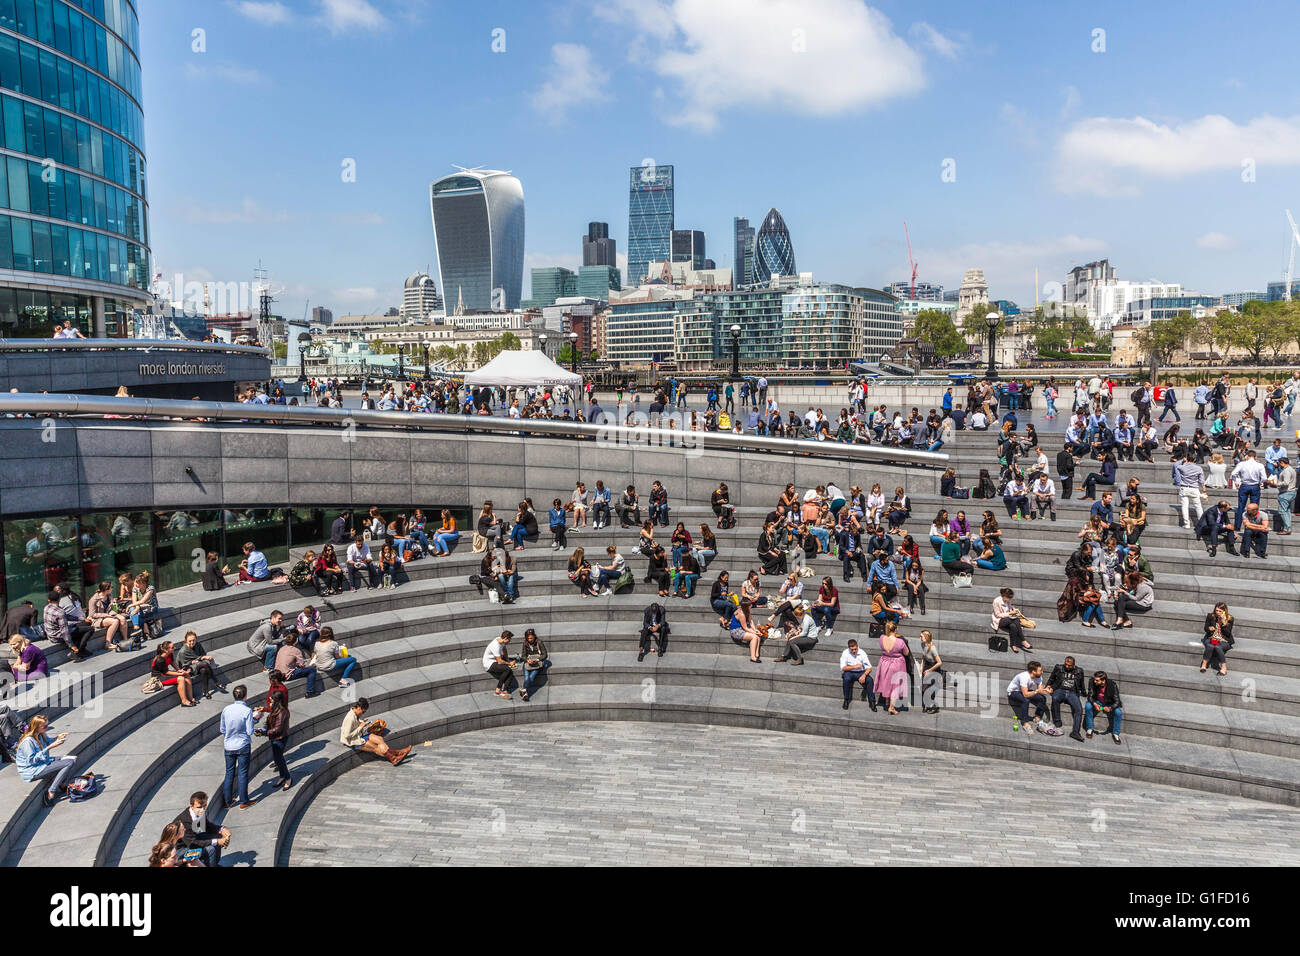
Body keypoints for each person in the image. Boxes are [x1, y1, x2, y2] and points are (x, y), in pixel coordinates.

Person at [14, 715, 77, 807]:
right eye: (44, 726)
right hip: (32, 770)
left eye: (47, 725)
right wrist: (50, 747)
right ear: (36, 727)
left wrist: (57, 738)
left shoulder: (41, 734)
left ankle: (61, 783)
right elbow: (32, 760)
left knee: (71, 759)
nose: (46, 728)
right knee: (69, 763)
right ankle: (51, 792)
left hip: (43, 762)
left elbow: (48, 742)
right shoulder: (28, 741)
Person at [220, 686, 258, 810]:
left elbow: (222, 729)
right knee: (242, 773)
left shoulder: (226, 709)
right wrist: (255, 719)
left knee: (229, 772)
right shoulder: (247, 711)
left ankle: (227, 801)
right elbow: (250, 731)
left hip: (229, 745)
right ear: (245, 696)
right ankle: (243, 801)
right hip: (242, 745)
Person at [340, 698, 410, 764]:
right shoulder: (350, 718)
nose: (363, 713)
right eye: (363, 711)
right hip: (353, 741)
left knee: (380, 739)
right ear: (359, 708)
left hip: (359, 736)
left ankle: (396, 755)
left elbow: (355, 723)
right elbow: (347, 735)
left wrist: (362, 722)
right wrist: (360, 727)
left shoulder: (355, 713)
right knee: (375, 747)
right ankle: (395, 756)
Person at [174, 792, 231, 867]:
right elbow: (192, 844)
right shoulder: (185, 821)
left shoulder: (198, 812)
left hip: (193, 839)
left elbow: (207, 826)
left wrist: (221, 829)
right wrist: (216, 842)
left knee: (217, 837)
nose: (202, 810)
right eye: (199, 807)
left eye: (204, 806)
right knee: (211, 849)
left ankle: (214, 864)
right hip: (180, 849)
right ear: (191, 806)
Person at [1046, 656, 1087, 741]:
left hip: (1072, 693)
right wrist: (1048, 686)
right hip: (1060, 689)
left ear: (1074, 665)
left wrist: (1084, 694)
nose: (1067, 666)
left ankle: (1075, 732)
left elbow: (1081, 684)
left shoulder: (1079, 671)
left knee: (1078, 709)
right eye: (1066, 664)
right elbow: (1051, 678)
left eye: (1069, 665)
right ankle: (1057, 721)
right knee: (1055, 698)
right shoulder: (1059, 668)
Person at [175, 630, 224, 700]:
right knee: (204, 664)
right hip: (189, 669)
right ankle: (216, 681)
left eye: (193, 640)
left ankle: (206, 692)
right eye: (190, 641)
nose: (192, 642)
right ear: (186, 641)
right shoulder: (183, 651)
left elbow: (203, 654)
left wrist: (200, 659)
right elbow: (184, 665)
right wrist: (199, 659)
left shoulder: (197, 645)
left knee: (204, 670)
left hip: (199, 664)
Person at [1006, 662, 1052, 734]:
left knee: (1042, 698)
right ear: (1034, 671)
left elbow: (1040, 691)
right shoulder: (1024, 677)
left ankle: (1037, 717)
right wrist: (1036, 691)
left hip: (1024, 690)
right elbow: (1025, 695)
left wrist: (1046, 691)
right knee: (1025, 700)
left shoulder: (1038, 677)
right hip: (1013, 692)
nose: (1042, 672)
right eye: (1040, 670)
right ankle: (1025, 723)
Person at [874, 623, 909, 715]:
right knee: (895, 686)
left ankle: (887, 701)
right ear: (896, 629)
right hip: (896, 664)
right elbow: (906, 653)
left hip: (884, 662)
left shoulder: (881, 638)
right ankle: (891, 707)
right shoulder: (900, 642)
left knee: (887, 682)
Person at [262, 684, 292, 791]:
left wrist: (265, 733)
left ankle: (288, 778)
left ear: (276, 700)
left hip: (280, 738)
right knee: (277, 758)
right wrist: (264, 728)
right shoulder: (275, 709)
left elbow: (278, 729)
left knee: (280, 759)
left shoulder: (282, 712)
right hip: (275, 738)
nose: (269, 700)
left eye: (272, 698)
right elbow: (269, 720)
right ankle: (282, 776)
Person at [274, 632, 320, 697]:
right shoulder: (296, 650)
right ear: (296, 641)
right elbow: (302, 665)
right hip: (287, 675)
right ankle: (310, 692)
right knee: (312, 669)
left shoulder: (281, 648)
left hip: (278, 674)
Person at [152, 640, 195, 706]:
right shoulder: (160, 659)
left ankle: (191, 698)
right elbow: (166, 672)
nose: (174, 648)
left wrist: (179, 670)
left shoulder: (169, 654)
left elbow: (172, 662)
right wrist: (180, 674)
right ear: (166, 650)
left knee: (187, 675)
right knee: (181, 679)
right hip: (159, 678)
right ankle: (184, 701)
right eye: (172, 647)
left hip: (165, 674)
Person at [1085, 671, 1123, 743]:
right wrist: (1094, 703)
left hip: (1109, 703)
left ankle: (1116, 733)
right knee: (1088, 706)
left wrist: (1110, 708)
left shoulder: (1112, 685)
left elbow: (1117, 701)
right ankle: (1090, 728)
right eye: (1094, 679)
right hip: (1097, 701)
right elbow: (1090, 696)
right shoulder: (1092, 682)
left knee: (1118, 712)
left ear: (1103, 680)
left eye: (1097, 680)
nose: (1094, 681)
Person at [839, 639, 876, 711]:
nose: (854, 651)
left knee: (870, 680)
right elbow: (843, 667)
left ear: (857, 646)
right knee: (846, 679)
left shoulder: (862, 653)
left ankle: (872, 702)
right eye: (852, 650)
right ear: (849, 648)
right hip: (849, 672)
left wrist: (864, 675)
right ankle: (846, 700)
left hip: (861, 672)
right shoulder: (845, 653)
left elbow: (869, 668)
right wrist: (854, 666)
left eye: (855, 649)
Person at [992, 587, 1031, 652]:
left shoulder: (1007, 600)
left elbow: (1010, 607)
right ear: (1004, 596)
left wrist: (1014, 610)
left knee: (1013, 626)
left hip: (1009, 619)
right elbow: (997, 615)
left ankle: (1013, 645)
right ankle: (1023, 640)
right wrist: (1010, 613)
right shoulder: (996, 601)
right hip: (999, 620)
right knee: (1015, 619)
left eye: (1010, 598)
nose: (1009, 600)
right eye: (1008, 598)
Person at [729, 599, 766, 664]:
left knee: (757, 636)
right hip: (736, 630)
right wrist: (754, 633)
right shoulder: (741, 614)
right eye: (750, 605)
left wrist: (755, 630)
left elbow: (751, 621)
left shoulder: (747, 611)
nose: (751, 605)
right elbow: (745, 628)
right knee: (754, 637)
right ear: (747, 606)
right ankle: (752, 657)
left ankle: (756, 654)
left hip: (743, 628)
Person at [519, 628, 550, 700]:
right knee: (527, 677)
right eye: (528, 638)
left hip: (537, 663)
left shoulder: (539, 642)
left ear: (534, 636)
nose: (530, 640)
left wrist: (538, 659)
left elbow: (545, 654)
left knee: (531, 678)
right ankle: (525, 692)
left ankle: (524, 691)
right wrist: (527, 660)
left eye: (531, 638)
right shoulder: (525, 643)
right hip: (528, 662)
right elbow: (523, 655)